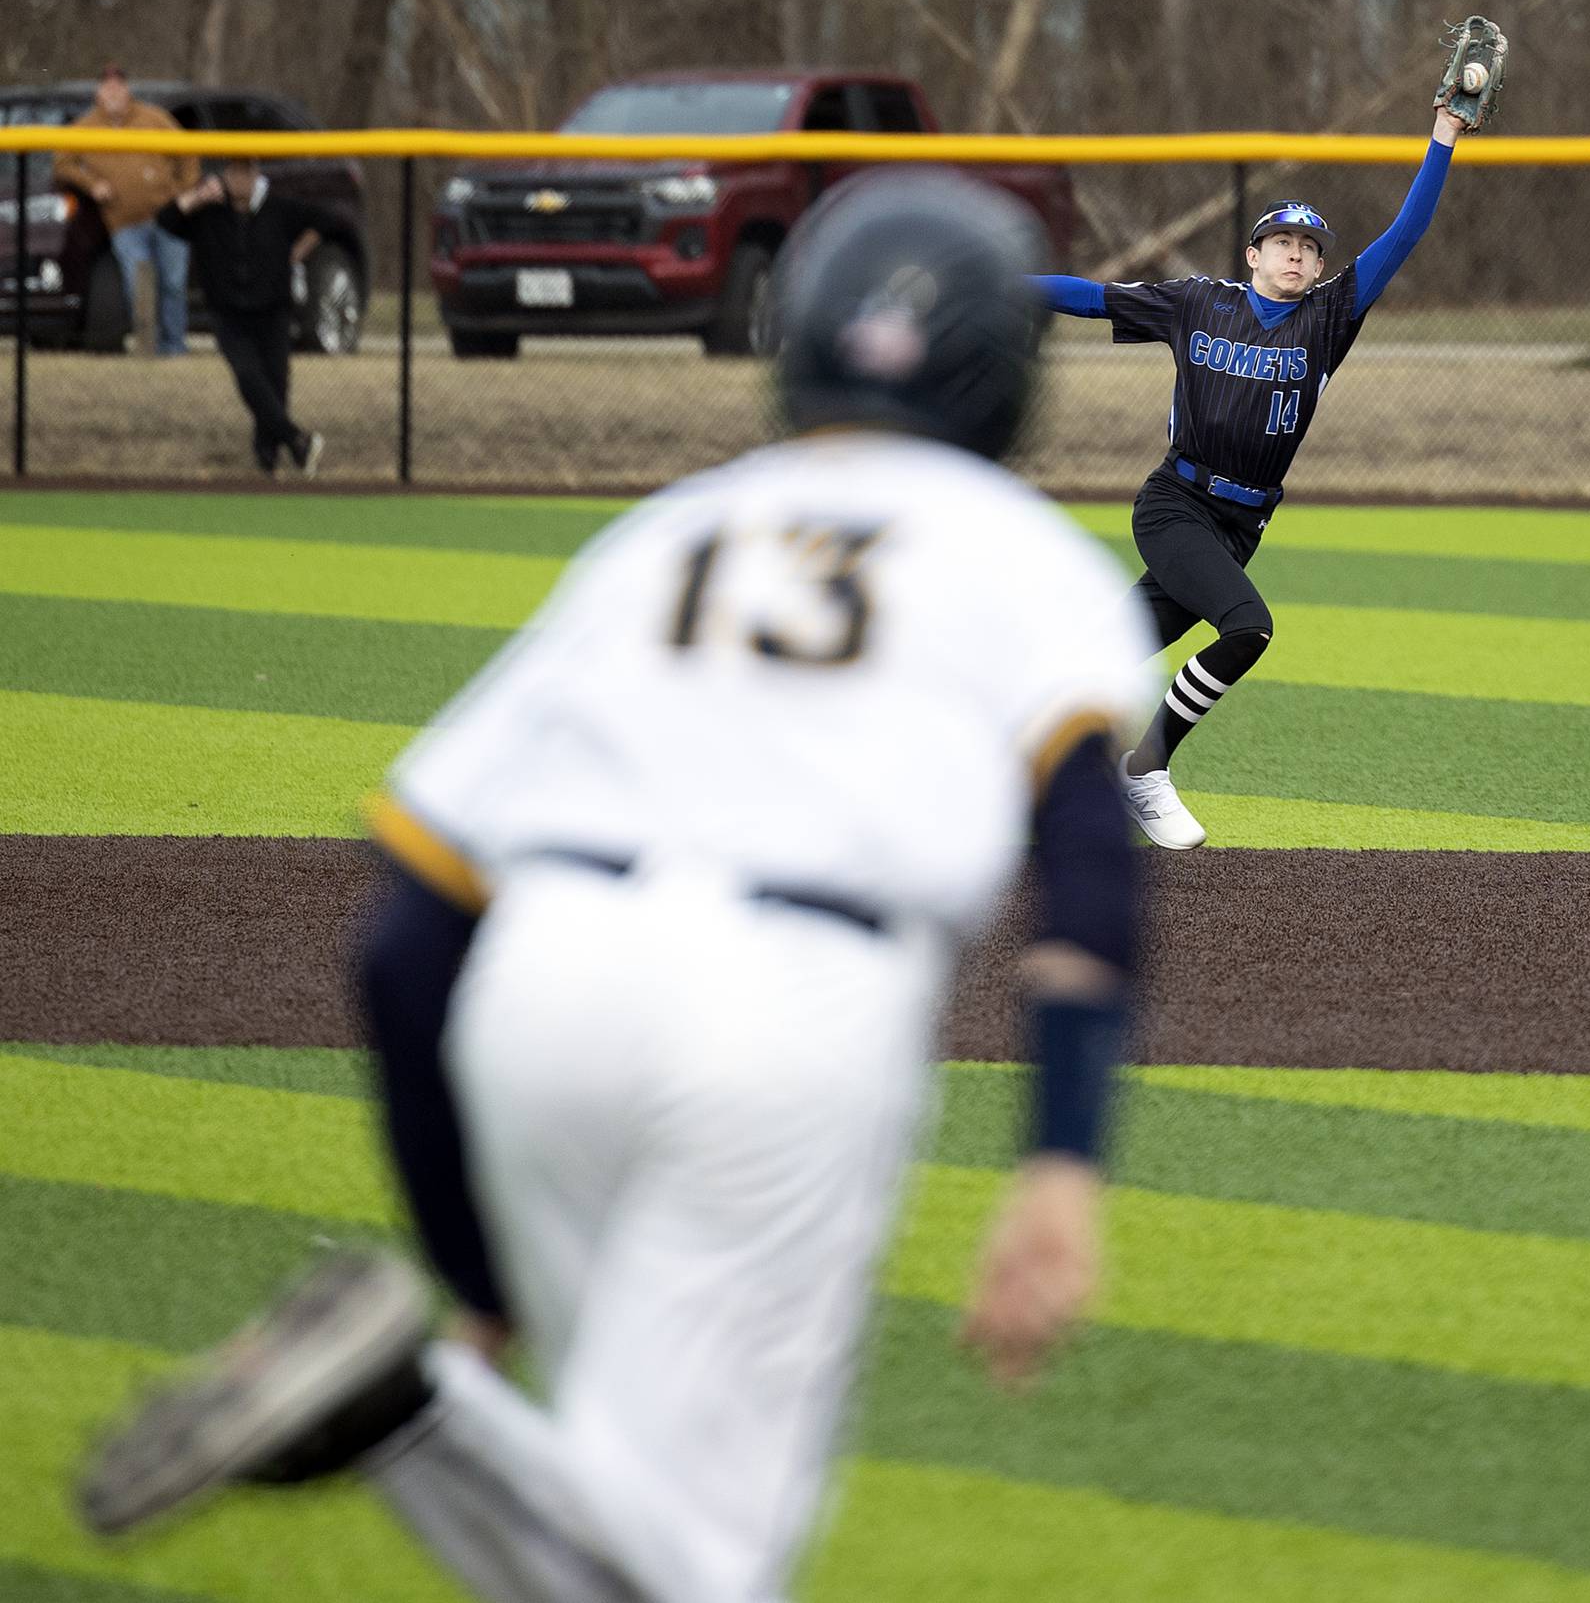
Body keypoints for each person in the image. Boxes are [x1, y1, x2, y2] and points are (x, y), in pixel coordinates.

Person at [78, 172, 1155, 1603]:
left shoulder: (659, 537)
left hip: (547, 986)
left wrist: (473, 1276)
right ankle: (405, 1410)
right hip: (792, 1021)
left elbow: (403, 942)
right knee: (701, 1570)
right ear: (1006, 383)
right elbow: (1090, 852)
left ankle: (417, 1411)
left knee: (600, 1530)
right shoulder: (1022, 551)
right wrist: (1063, 1159)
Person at [1036, 102, 1465, 848]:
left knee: (1104, 648)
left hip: (1241, 526)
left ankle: (1015, 738)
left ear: (1323, 268)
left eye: (1309, 246)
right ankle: (1145, 769)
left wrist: (1443, 139)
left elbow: (1408, 234)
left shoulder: (1329, 321)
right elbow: (1091, 295)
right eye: (1281, 242)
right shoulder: (1198, 302)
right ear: (1254, 256)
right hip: (1175, 504)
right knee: (1247, 628)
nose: (1295, 254)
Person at [157, 157, 333, 476]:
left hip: (272, 310)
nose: (240, 180)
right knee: (248, 375)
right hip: (229, 313)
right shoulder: (209, 213)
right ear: (224, 176)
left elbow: (325, 220)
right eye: (233, 173)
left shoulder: (278, 208)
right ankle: (297, 440)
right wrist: (198, 197)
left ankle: (268, 456)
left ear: (256, 176)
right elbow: (166, 220)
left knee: (276, 382)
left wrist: (299, 250)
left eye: (246, 172)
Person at [53, 63, 199, 355]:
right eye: (107, 86)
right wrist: (91, 184)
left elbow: (189, 153)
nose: (114, 91)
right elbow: (62, 164)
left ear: (127, 89)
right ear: (99, 93)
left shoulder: (154, 118)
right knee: (139, 286)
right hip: (124, 222)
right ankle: (150, 346)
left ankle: (175, 347)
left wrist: (183, 193)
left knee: (173, 283)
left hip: (168, 217)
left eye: (119, 85)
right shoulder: (86, 126)